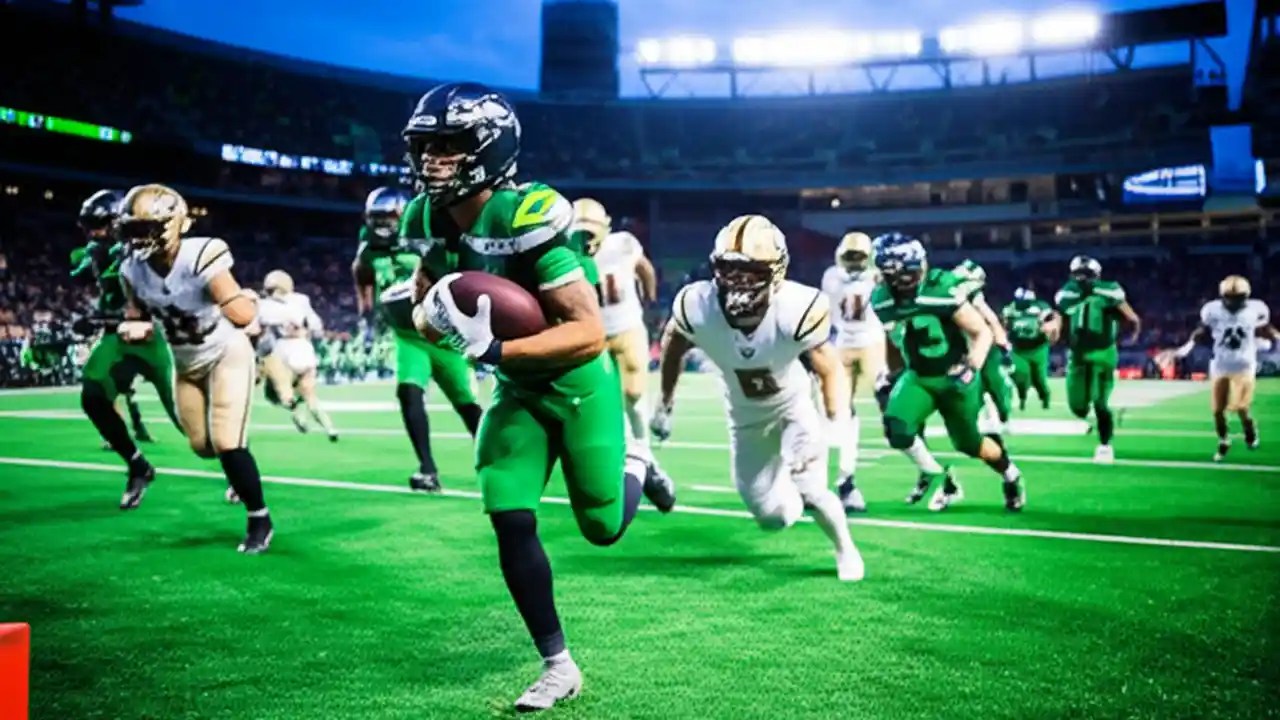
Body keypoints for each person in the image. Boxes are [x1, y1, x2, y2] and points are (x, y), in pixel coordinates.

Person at [401, 82, 675, 712]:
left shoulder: (530, 214)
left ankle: (639, 461)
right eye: (426, 147)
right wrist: (436, 318)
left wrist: (495, 350)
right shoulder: (425, 219)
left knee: (602, 528)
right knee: (509, 512)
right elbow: (421, 304)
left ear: (490, 149)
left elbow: (586, 334)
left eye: (450, 146)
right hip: (518, 392)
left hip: (577, 386)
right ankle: (558, 665)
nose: (432, 160)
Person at [652, 214, 864, 581]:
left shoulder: (796, 307)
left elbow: (829, 368)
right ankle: (792, 498)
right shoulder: (697, 305)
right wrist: (665, 402)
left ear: (776, 272)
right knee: (771, 516)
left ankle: (845, 548)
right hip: (744, 416)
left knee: (811, 487)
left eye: (751, 271)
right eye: (730, 269)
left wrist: (834, 423)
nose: (739, 281)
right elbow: (673, 344)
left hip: (792, 405)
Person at [117, 183, 273, 553]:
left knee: (226, 442)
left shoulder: (201, 254)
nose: (140, 238)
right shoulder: (130, 270)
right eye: (134, 229)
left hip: (224, 353)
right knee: (203, 446)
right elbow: (137, 316)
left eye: (148, 228)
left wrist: (244, 303)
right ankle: (237, 458)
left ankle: (259, 518)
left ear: (175, 224)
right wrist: (134, 326)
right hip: (186, 362)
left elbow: (242, 315)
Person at [871, 233, 1026, 512]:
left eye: (912, 270)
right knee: (897, 428)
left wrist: (972, 366)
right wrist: (892, 372)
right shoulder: (882, 300)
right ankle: (940, 478)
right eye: (901, 273)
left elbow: (981, 332)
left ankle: (1010, 474)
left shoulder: (941, 289)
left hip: (955, 376)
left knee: (969, 444)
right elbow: (892, 338)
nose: (910, 278)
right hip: (918, 376)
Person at [353, 186, 483, 491]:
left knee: (466, 404)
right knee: (408, 392)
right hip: (407, 336)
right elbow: (360, 272)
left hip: (443, 336)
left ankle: (496, 457)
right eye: (377, 218)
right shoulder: (369, 247)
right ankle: (427, 469)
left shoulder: (422, 237)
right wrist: (366, 311)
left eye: (388, 216)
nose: (382, 224)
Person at [71, 189, 180, 507]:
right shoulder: (97, 251)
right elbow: (86, 279)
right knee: (92, 395)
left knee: (185, 418)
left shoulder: (146, 248)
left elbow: (167, 293)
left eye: (99, 225)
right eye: (89, 226)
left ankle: (234, 470)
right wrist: (94, 317)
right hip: (116, 334)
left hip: (155, 335)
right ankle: (137, 465)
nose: (94, 233)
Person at [570, 198, 658, 458]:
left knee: (634, 394)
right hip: (590, 337)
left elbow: (645, 268)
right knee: (596, 400)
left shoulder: (622, 244)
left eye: (590, 232)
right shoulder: (564, 253)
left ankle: (644, 452)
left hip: (626, 327)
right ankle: (618, 452)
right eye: (580, 232)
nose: (586, 239)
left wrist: (650, 298)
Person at [1162, 275, 1277, 460]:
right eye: (1230, 297)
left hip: (1245, 365)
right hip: (1220, 365)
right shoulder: (1213, 310)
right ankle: (1223, 441)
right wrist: (1184, 350)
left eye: (1238, 297)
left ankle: (1250, 429)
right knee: (1217, 410)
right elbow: (1200, 332)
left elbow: (1266, 329)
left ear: (1246, 296)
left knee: (1241, 407)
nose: (1233, 302)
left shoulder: (1256, 309)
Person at [1054, 255, 1141, 464]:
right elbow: (1059, 317)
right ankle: (1099, 424)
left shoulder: (1110, 291)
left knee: (1100, 402)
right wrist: (1055, 332)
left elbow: (1132, 317)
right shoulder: (1067, 293)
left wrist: (1131, 334)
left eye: (1086, 274)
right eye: (1079, 274)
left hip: (1103, 352)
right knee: (1078, 407)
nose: (1082, 278)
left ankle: (1105, 444)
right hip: (1077, 354)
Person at [819, 231, 879, 512]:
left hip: (869, 347)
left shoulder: (833, 276)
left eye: (858, 256)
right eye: (851, 256)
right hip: (849, 347)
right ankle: (845, 482)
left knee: (893, 415)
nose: (855, 262)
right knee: (842, 414)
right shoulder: (869, 277)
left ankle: (932, 471)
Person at [257, 269, 338, 440]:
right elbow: (316, 325)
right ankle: (329, 428)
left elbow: (261, 326)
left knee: (283, 393)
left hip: (283, 349)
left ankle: (297, 413)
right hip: (303, 348)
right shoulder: (301, 300)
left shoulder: (264, 306)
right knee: (310, 394)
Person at [952, 259, 1015, 435]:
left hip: (985, 347)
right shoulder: (951, 294)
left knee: (994, 383)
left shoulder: (973, 297)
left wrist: (1002, 342)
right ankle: (976, 419)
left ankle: (1003, 416)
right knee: (971, 386)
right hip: (965, 346)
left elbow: (990, 318)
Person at [1000, 288, 1058, 410]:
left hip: (1038, 348)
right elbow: (1004, 326)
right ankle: (1022, 398)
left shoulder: (1041, 308)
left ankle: (1045, 397)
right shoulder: (1009, 309)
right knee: (1021, 375)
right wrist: (1005, 339)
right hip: (1019, 349)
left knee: (1039, 378)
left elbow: (1054, 321)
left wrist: (1051, 333)